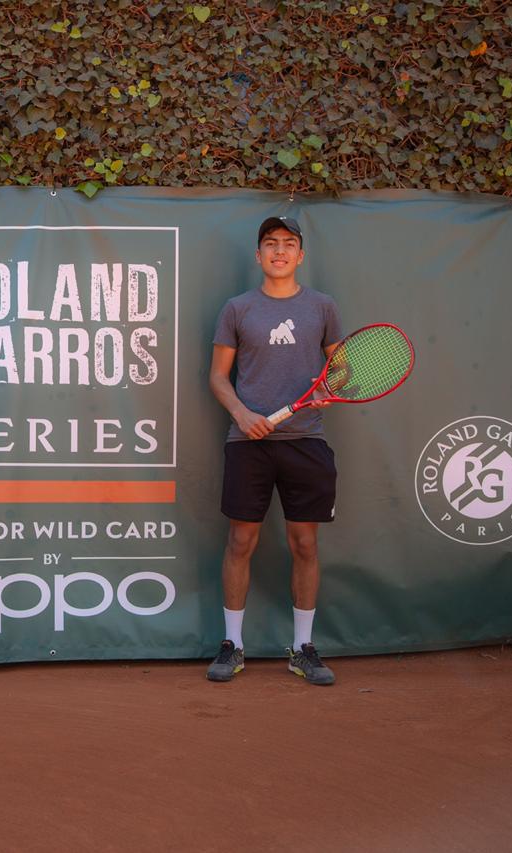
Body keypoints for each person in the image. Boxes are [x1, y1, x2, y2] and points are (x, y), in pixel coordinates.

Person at [206, 216, 342, 686]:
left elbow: (342, 370)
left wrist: (330, 388)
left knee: (305, 543)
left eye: (288, 244)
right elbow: (218, 378)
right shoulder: (237, 309)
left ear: (300, 256)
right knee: (241, 542)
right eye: (270, 244)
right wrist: (243, 415)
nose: (279, 251)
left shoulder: (323, 306)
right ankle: (233, 646)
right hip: (249, 445)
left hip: (307, 441)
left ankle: (303, 648)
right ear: (259, 255)